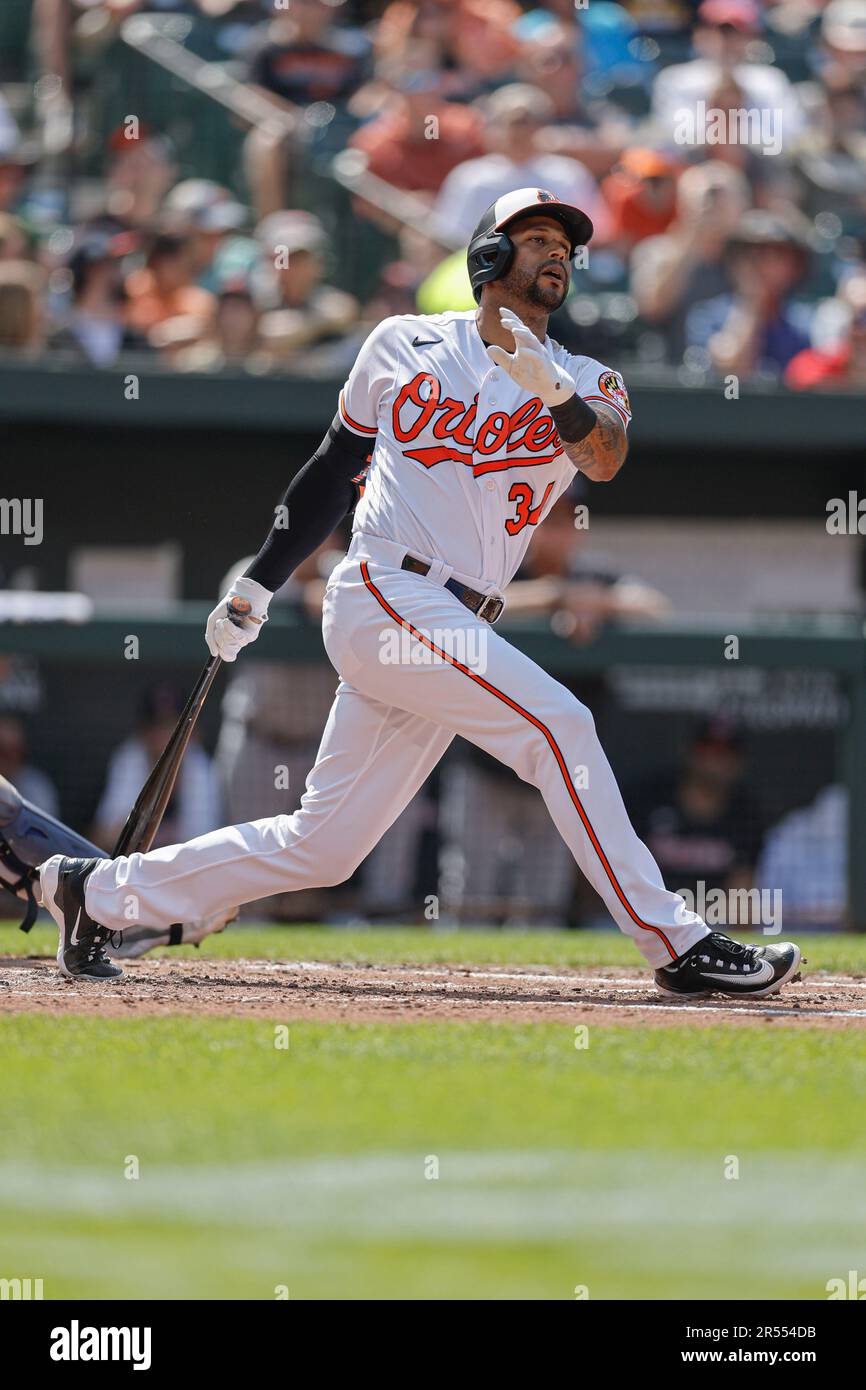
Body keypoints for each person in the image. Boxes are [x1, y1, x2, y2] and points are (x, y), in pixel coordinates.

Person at [38, 185, 801, 1001]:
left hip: (452, 619)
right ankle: (675, 943)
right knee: (559, 724)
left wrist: (550, 387)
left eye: (565, 246)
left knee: (323, 847)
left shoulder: (586, 377)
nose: (556, 255)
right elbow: (334, 469)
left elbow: (605, 459)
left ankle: (97, 892)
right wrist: (260, 582)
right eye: (535, 238)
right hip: (385, 589)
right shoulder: (404, 341)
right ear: (489, 256)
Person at [91, 685, 223, 851]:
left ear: (193, 732)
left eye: (173, 726)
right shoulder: (129, 759)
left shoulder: (200, 766)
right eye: (157, 727)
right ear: (143, 731)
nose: (164, 736)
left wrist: (152, 834)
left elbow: (204, 842)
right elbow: (106, 836)